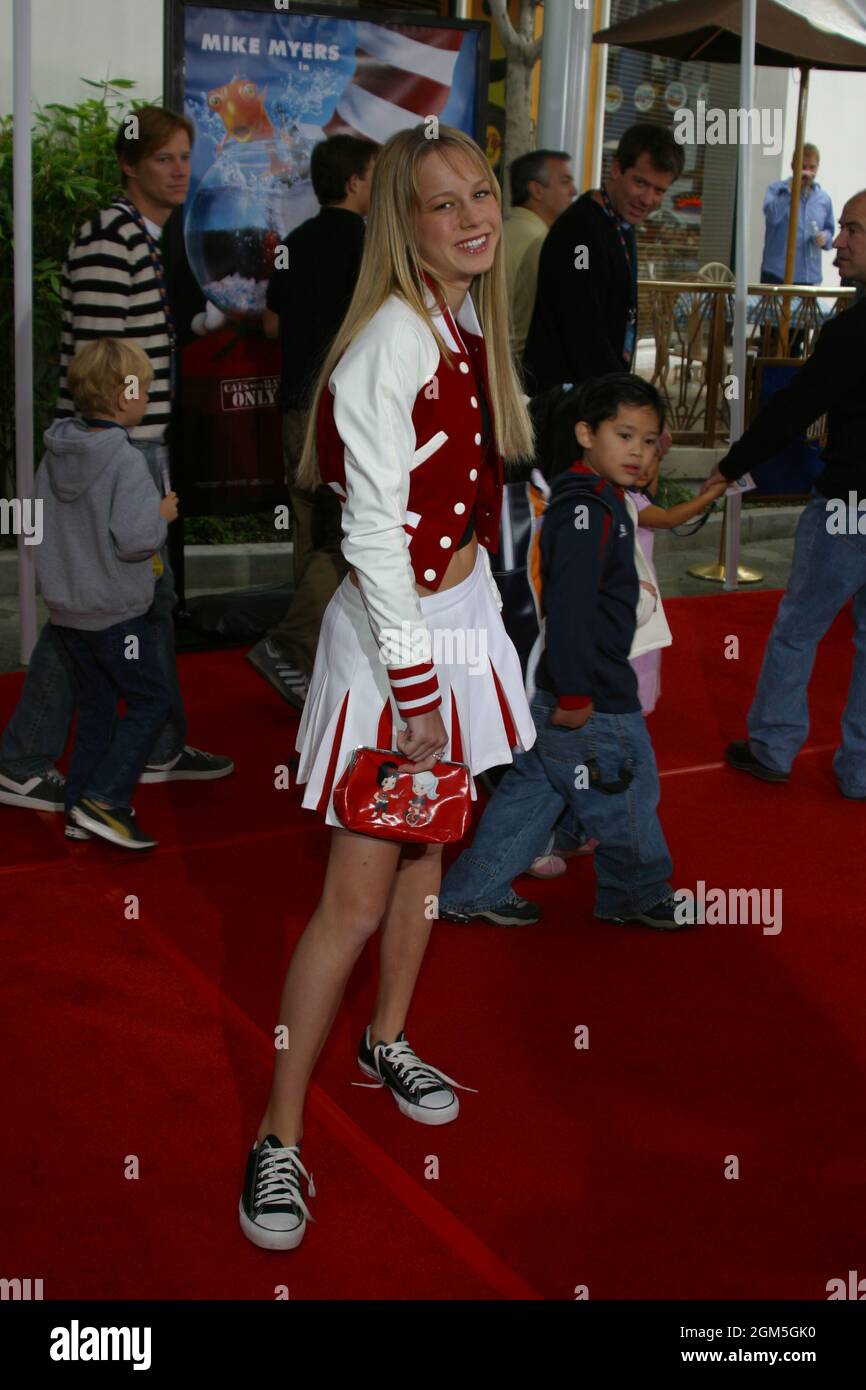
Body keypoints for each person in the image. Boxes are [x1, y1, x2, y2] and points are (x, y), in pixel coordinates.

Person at [238, 124, 536, 1251]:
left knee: (428, 855)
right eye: (440, 204)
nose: (470, 218)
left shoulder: (458, 316)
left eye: (481, 195)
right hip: (399, 646)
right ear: (397, 225)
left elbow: (446, 484)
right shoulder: (386, 345)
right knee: (350, 904)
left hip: (453, 620)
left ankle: (387, 1038)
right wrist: (415, 691)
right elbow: (367, 531)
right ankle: (276, 1140)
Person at [0, 106, 233, 821]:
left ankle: (156, 743)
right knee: (93, 615)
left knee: (140, 605)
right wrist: (125, 447)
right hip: (123, 448)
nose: (179, 170)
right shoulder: (111, 236)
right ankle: (24, 758)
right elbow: (103, 366)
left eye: (185, 157)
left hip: (135, 446)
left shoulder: (135, 234)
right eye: (165, 158)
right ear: (130, 165)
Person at [437, 375, 694, 932]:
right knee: (626, 792)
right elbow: (571, 610)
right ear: (584, 433)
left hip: (559, 687)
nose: (638, 451)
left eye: (650, 441)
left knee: (533, 792)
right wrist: (577, 693)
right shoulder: (585, 511)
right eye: (624, 435)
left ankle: (469, 890)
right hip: (591, 695)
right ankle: (636, 891)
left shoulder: (592, 498)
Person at [703, 189, 866, 801]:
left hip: (849, 506)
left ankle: (772, 747)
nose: (837, 241)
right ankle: (860, 770)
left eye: (852, 229)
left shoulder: (853, 328)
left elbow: (795, 408)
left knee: (799, 627)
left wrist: (731, 467)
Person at [248, 135, 377, 708]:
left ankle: (312, 658)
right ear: (354, 181)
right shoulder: (371, 245)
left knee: (310, 529)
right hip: (343, 412)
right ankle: (298, 644)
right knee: (343, 534)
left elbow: (271, 325)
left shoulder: (296, 242)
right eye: (375, 175)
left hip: (297, 406)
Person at [34, 340, 175, 849]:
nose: (147, 398)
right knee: (149, 701)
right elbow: (135, 542)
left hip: (68, 615)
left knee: (95, 708)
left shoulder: (53, 454)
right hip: (118, 616)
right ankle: (106, 799)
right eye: (143, 389)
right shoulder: (125, 461)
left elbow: (37, 526)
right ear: (124, 397)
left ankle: (80, 806)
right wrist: (160, 516)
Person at [522, 123, 684, 416]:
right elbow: (585, 332)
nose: (648, 199)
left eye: (659, 190)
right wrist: (628, 406)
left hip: (593, 402)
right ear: (616, 169)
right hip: (566, 408)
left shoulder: (621, 222)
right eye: (640, 183)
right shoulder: (581, 230)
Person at [502, 149, 575, 360]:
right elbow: (525, 336)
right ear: (536, 190)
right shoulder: (543, 244)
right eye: (564, 181)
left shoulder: (500, 231)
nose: (574, 190)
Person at [760, 144, 834, 286]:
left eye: (812, 168)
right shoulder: (777, 189)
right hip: (777, 274)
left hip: (809, 277)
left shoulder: (824, 199)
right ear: (793, 165)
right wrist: (791, 190)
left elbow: (830, 231)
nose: (807, 173)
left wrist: (824, 237)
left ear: (817, 168)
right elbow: (772, 216)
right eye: (803, 167)